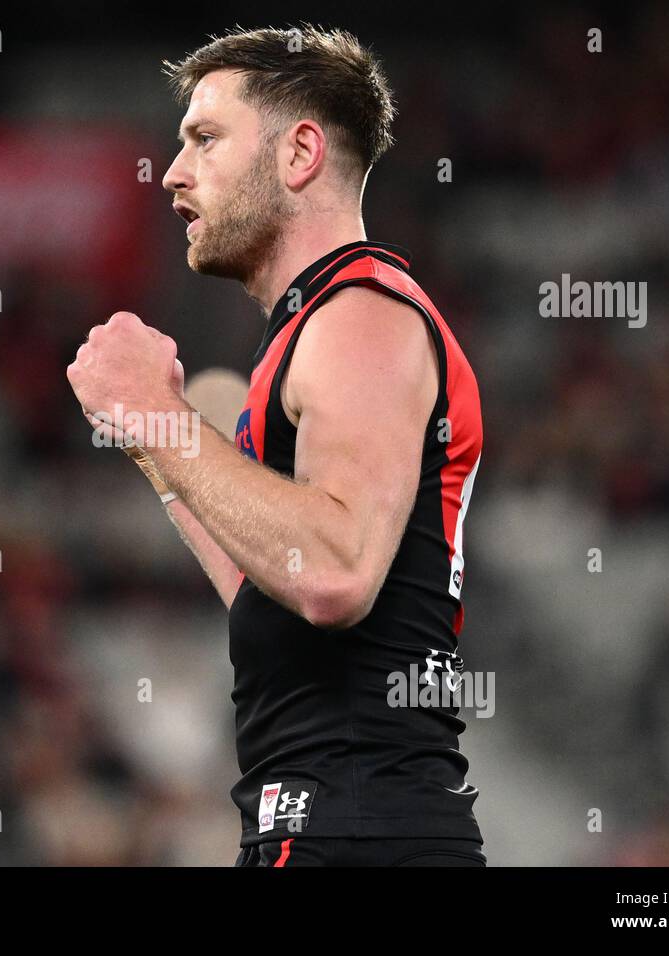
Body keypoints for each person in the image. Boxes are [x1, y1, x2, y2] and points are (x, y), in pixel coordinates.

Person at [66, 25, 486, 866]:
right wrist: (156, 442)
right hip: (324, 821)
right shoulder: (315, 327)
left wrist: (162, 417)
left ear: (300, 153)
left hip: (358, 825)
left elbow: (332, 575)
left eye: (205, 139)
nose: (174, 174)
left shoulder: (361, 313)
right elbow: (277, 590)